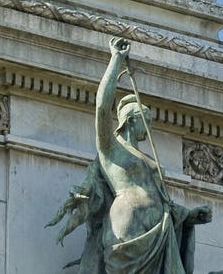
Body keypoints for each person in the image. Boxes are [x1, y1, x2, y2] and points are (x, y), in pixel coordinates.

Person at [48, 37, 212, 273]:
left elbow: (159, 196)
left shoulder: (146, 158)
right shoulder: (111, 149)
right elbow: (102, 107)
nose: (150, 127)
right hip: (128, 228)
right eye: (148, 121)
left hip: (159, 232)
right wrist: (116, 60)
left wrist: (188, 216)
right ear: (131, 119)